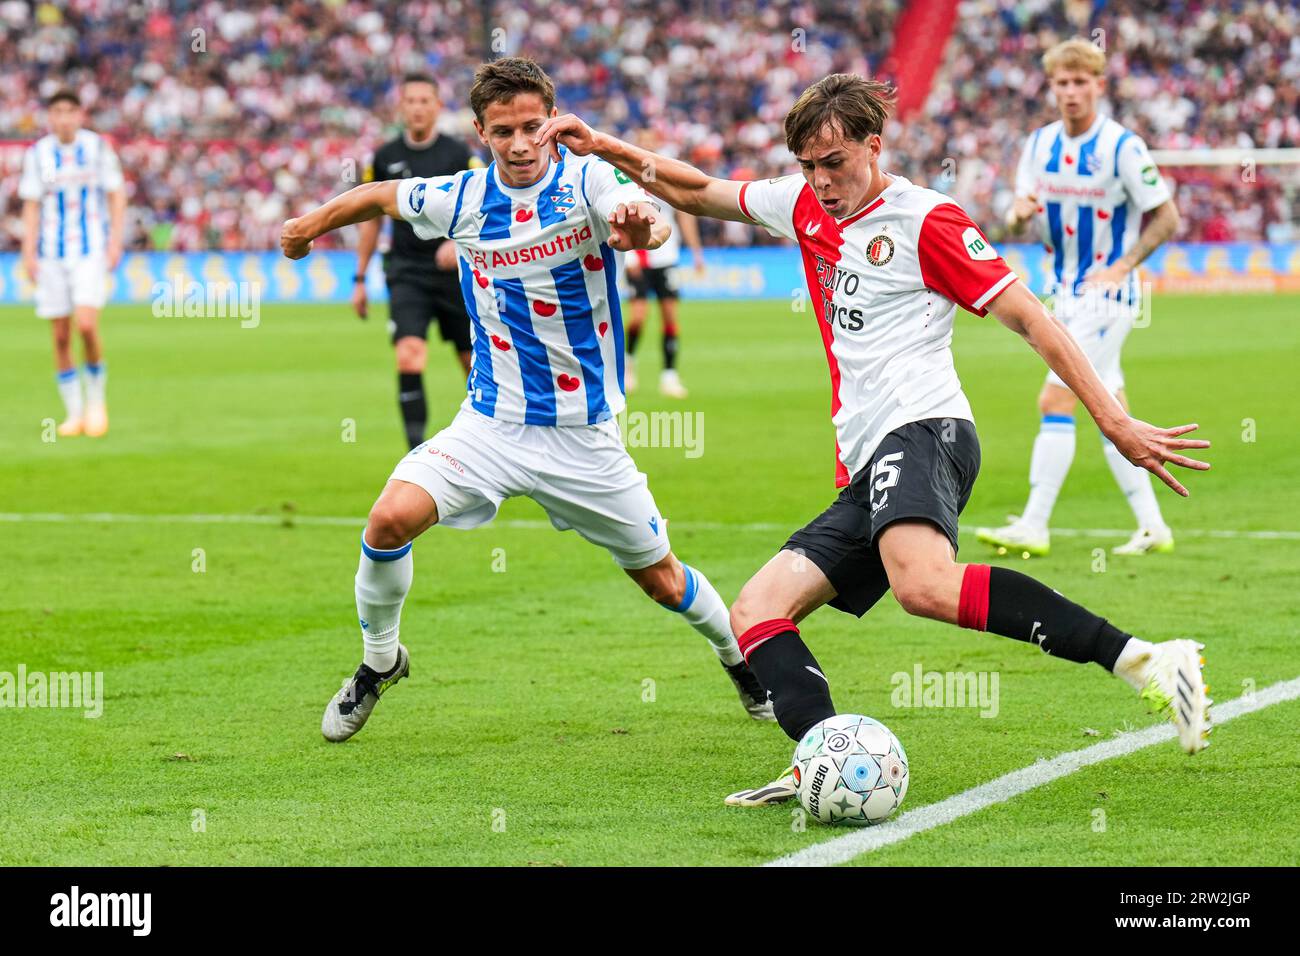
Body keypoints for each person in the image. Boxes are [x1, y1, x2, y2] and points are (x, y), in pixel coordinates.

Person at [532, 72, 1212, 808]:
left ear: (873, 147)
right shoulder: (800, 204)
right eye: (807, 167)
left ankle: (1143, 659)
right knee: (755, 611)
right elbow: (697, 190)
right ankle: (821, 756)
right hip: (869, 457)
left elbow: (1030, 317)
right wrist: (604, 147)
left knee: (922, 585)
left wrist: (1114, 419)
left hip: (925, 429)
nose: (821, 183)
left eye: (835, 164)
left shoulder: (928, 221)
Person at [281, 58, 773, 742]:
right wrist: (307, 226)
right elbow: (377, 197)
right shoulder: (460, 197)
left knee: (662, 580)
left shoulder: (587, 179)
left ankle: (739, 659)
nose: (520, 143)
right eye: (504, 130)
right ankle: (379, 663)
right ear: (480, 131)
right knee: (388, 520)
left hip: (583, 434)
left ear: (553, 122)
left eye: (533, 127)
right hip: (490, 425)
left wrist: (638, 228)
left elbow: (644, 223)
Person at [977, 39, 1183, 558]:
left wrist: (1121, 266)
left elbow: (1167, 216)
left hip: (1107, 297)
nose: (1070, 92)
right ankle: (1152, 524)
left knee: (1057, 397)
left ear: (1099, 85)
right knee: (1113, 407)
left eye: (1079, 82)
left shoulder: (1122, 147)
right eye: (1061, 83)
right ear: (1051, 88)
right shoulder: (1039, 145)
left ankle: (1034, 523)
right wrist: (1018, 212)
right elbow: (1016, 213)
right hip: (1062, 293)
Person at [354, 74, 481, 449]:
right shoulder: (384, 157)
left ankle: (486, 444)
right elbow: (371, 220)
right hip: (407, 272)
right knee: (409, 357)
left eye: (426, 100)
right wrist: (359, 279)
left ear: (438, 106)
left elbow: (483, 207)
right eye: (411, 101)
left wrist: (456, 242)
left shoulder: (460, 155)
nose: (418, 107)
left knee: (472, 365)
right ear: (401, 107)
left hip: (455, 274)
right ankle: (415, 453)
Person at [19, 89, 125, 438]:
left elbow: (115, 194)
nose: (64, 117)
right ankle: (74, 413)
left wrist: (115, 241)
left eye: (70, 110)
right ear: (50, 117)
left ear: (80, 115)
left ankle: (97, 404)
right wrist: (28, 250)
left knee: (86, 325)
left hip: (89, 249)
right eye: (58, 111)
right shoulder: (39, 154)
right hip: (51, 252)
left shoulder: (96, 147)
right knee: (61, 335)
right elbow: (32, 204)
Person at [622, 133, 706, 398]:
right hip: (639, 257)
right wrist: (630, 257)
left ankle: (669, 376)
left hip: (666, 257)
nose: (647, 148)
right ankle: (628, 366)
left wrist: (696, 252)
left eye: (651, 144)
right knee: (638, 317)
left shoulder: (667, 174)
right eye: (643, 144)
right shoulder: (627, 175)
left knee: (670, 316)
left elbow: (684, 215)